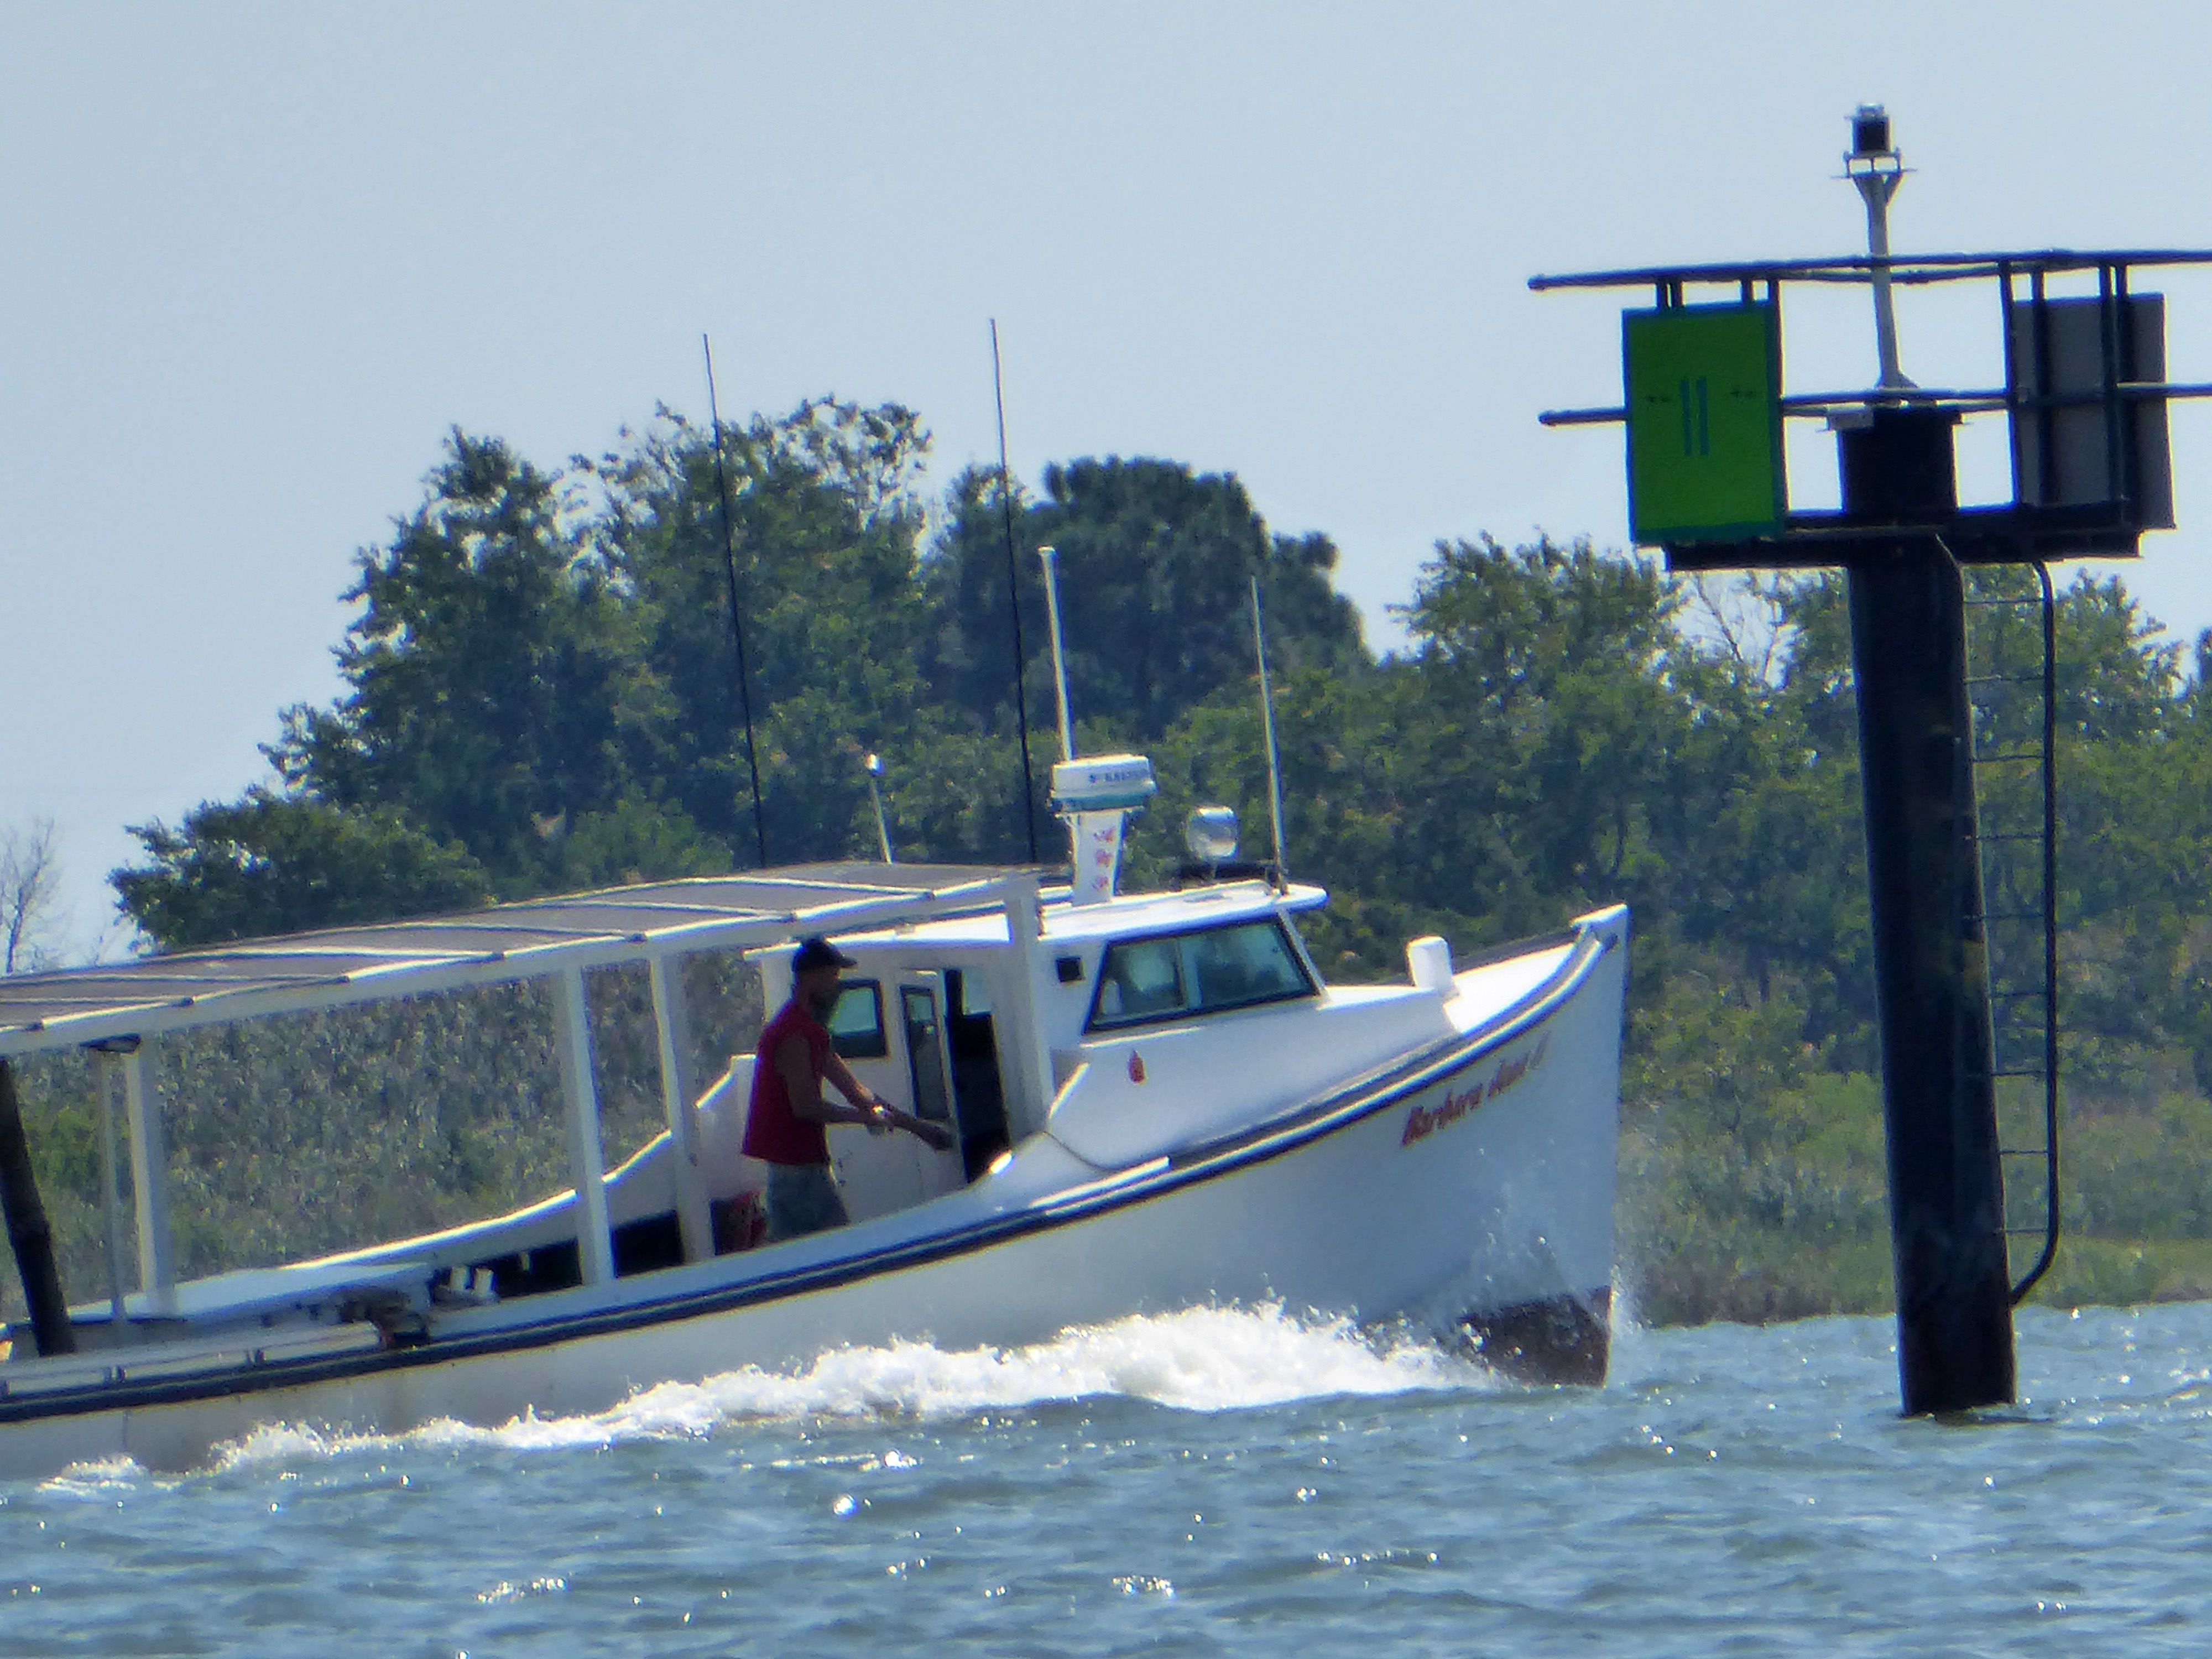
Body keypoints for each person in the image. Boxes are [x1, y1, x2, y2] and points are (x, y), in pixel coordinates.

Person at [742, 935, 955, 1241]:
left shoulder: (813, 1033)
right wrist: (864, 1119)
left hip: (809, 1165)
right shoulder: (793, 1034)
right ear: (810, 977)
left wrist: (920, 1129)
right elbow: (806, 1106)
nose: (836, 985)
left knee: (814, 1252)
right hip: (795, 1171)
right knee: (835, 1250)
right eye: (832, 976)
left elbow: (859, 1093)